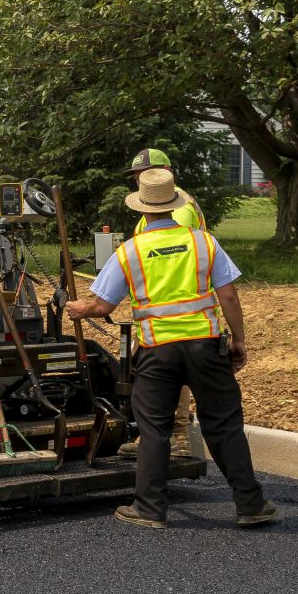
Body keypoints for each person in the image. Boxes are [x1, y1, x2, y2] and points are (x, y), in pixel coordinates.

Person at [66, 168, 279, 530]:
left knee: (154, 429)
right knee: (224, 425)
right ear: (175, 204)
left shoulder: (130, 251)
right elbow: (227, 293)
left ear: (142, 209)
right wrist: (239, 340)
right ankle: (250, 505)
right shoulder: (203, 241)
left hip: (157, 350)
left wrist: (76, 308)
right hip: (205, 347)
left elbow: (101, 307)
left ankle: (149, 509)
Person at [121, 146, 204, 454]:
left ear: (166, 175)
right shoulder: (156, 210)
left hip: (176, 307)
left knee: (165, 374)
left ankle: (174, 437)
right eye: (138, 176)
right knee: (153, 373)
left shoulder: (177, 207)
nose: (141, 180)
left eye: (147, 174)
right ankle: (160, 435)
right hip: (162, 306)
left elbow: (171, 249)